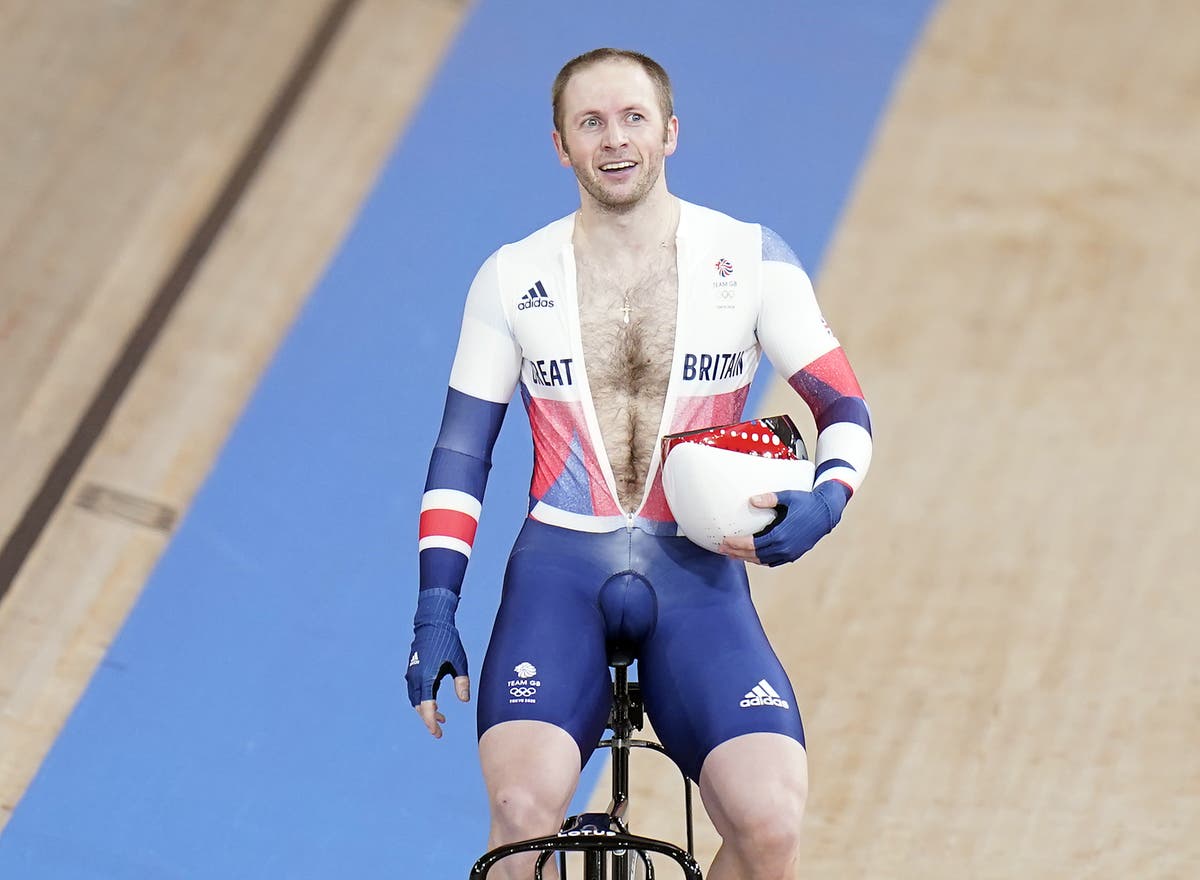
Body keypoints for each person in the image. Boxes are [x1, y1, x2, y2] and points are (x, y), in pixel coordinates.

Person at [405, 48, 873, 880]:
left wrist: (828, 500)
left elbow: (844, 409)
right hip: (559, 568)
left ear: (670, 132)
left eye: (632, 119)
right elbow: (461, 454)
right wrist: (436, 606)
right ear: (561, 145)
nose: (613, 140)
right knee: (519, 820)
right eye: (591, 123)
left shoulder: (751, 258)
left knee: (769, 824)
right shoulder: (512, 277)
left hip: (696, 573)